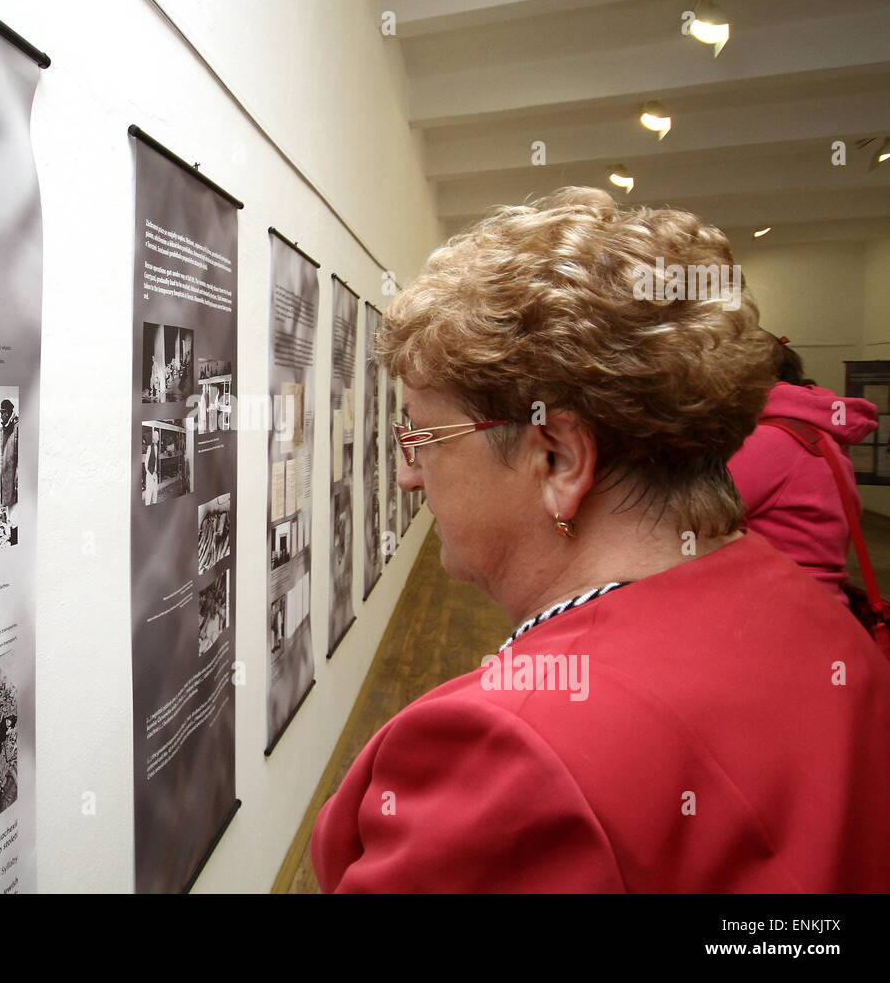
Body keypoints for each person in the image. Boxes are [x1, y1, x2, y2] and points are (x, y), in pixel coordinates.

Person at [311, 187, 890, 893]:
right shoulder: (803, 604)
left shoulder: (514, 756)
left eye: (422, 434)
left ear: (555, 457)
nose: (407, 473)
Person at [728, 337, 878, 605]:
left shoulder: (772, 439)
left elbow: (692, 515)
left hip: (780, 606)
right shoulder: (809, 430)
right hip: (814, 603)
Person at [0, 399, 19, 542]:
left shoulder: (17, 426)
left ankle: (15, 537)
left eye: (5, 412)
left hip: (14, 474)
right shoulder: (4, 428)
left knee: (16, 506)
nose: (2, 415)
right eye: (1, 413)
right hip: (6, 473)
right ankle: (12, 535)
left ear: (10, 412)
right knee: (9, 505)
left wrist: (18, 474)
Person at [144, 429, 160, 505]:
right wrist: (148, 472)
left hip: (154, 473)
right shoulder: (150, 447)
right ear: (154, 438)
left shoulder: (157, 448)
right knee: (149, 492)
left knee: (155, 491)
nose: (158, 439)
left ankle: (154, 505)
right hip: (150, 473)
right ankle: (147, 505)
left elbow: (156, 461)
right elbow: (146, 461)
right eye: (157, 438)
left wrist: (155, 472)